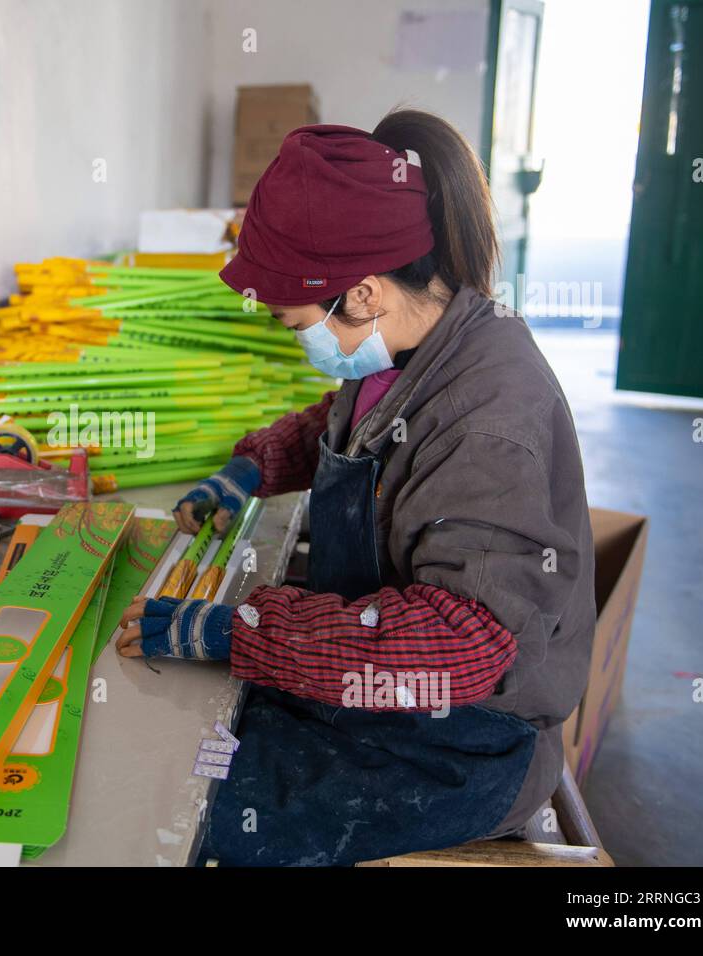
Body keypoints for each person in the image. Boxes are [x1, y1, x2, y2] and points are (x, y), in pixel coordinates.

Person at [117, 109, 596, 867]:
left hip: (459, 739)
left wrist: (237, 629)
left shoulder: (490, 420)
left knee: (197, 812)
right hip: (386, 687)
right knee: (203, 738)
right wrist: (258, 466)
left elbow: (458, 646)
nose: (293, 337)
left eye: (293, 322)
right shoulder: (414, 347)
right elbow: (352, 423)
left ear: (364, 294)